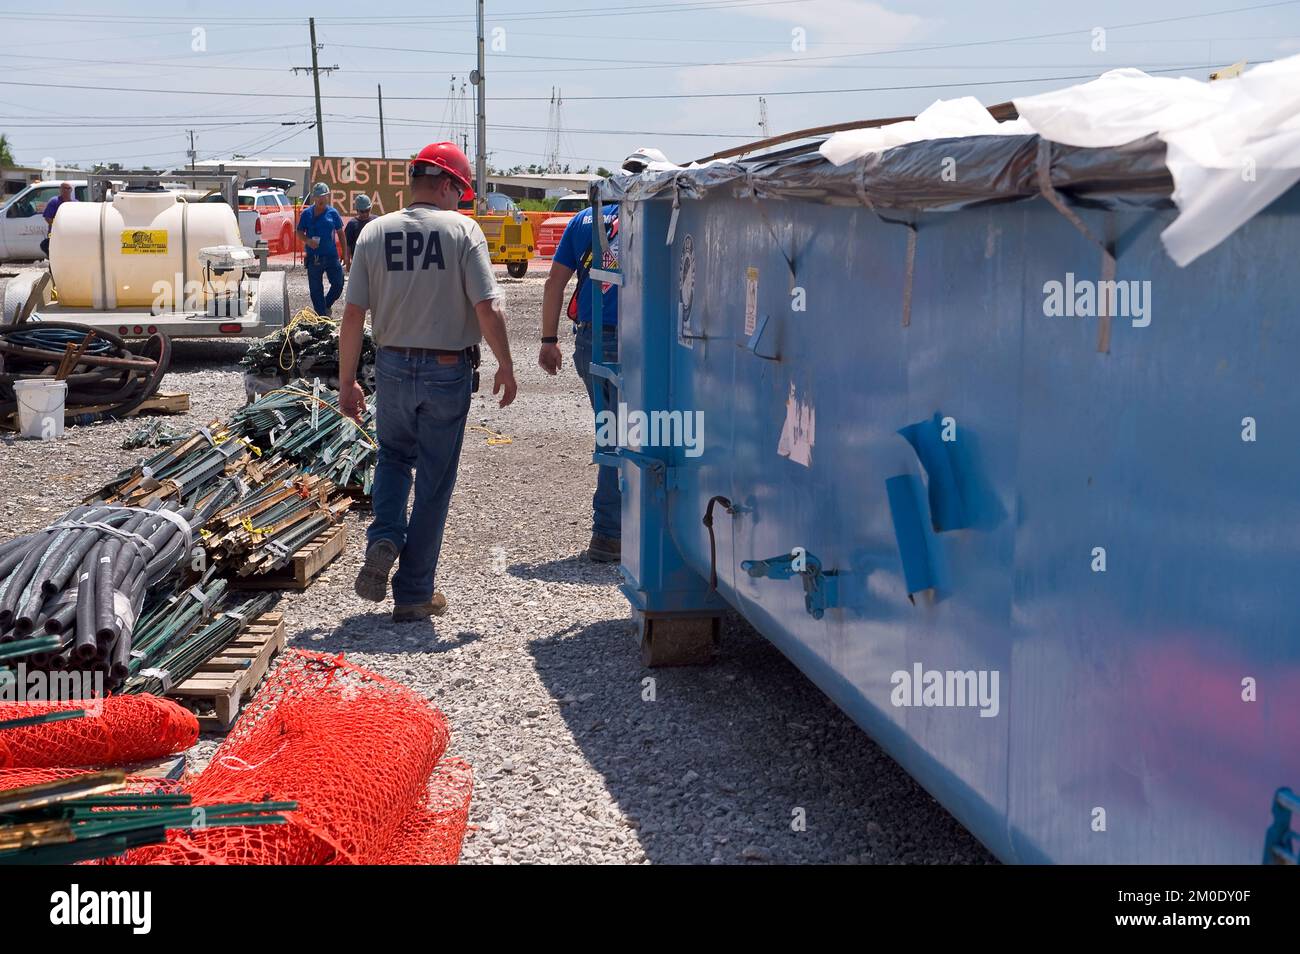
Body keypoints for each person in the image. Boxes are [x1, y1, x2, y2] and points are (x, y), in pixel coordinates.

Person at [338, 141, 518, 623]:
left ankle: (384, 538)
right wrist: (506, 362)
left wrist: (347, 383)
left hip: (392, 367)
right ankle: (414, 592)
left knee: (395, 458)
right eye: (459, 190)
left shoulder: (374, 232)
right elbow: (488, 306)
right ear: (444, 185)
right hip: (446, 369)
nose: (461, 200)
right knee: (435, 479)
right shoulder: (463, 230)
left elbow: (353, 315)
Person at [538, 148, 668, 563]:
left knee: (612, 434)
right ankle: (627, 532)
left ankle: (614, 533)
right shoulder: (657, 213)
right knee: (652, 433)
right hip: (647, 339)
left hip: (594, 341)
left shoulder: (584, 218)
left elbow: (554, 283)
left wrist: (548, 339)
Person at [298, 182, 345, 316]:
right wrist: (308, 240)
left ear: (328, 197)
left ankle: (326, 304)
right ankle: (321, 316)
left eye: (323, 196)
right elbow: (299, 232)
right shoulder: (307, 214)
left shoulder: (333, 213)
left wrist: (344, 253)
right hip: (314, 257)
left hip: (331, 256)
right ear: (314, 198)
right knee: (315, 289)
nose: (321, 199)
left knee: (338, 283)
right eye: (318, 196)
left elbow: (341, 233)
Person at [40, 181, 75, 256]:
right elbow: (48, 218)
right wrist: (59, 227)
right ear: (60, 189)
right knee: (51, 250)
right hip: (53, 234)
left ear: (71, 190)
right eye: (64, 188)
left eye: (68, 188)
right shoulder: (54, 201)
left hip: (70, 234)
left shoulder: (74, 203)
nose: (66, 190)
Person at [342, 193, 375, 273]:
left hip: (374, 259)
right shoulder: (352, 224)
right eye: (362, 211)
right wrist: (347, 260)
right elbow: (348, 244)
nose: (365, 214)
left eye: (367, 211)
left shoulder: (376, 221)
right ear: (357, 210)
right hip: (358, 260)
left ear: (370, 208)